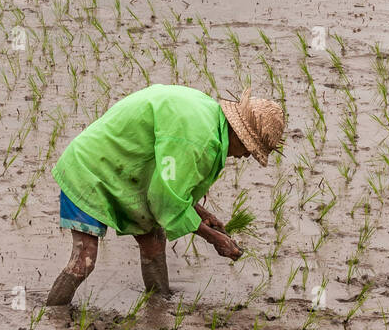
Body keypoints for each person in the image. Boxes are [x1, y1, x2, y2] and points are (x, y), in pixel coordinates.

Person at [45, 85, 285, 306]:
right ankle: (51, 317)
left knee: (154, 241)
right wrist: (212, 237)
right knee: (84, 260)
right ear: (239, 134)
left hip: (124, 173)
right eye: (248, 150)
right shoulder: (197, 139)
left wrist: (204, 214)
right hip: (91, 171)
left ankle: (158, 309)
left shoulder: (209, 118)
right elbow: (164, 200)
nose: (244, 157)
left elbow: (170, 183)